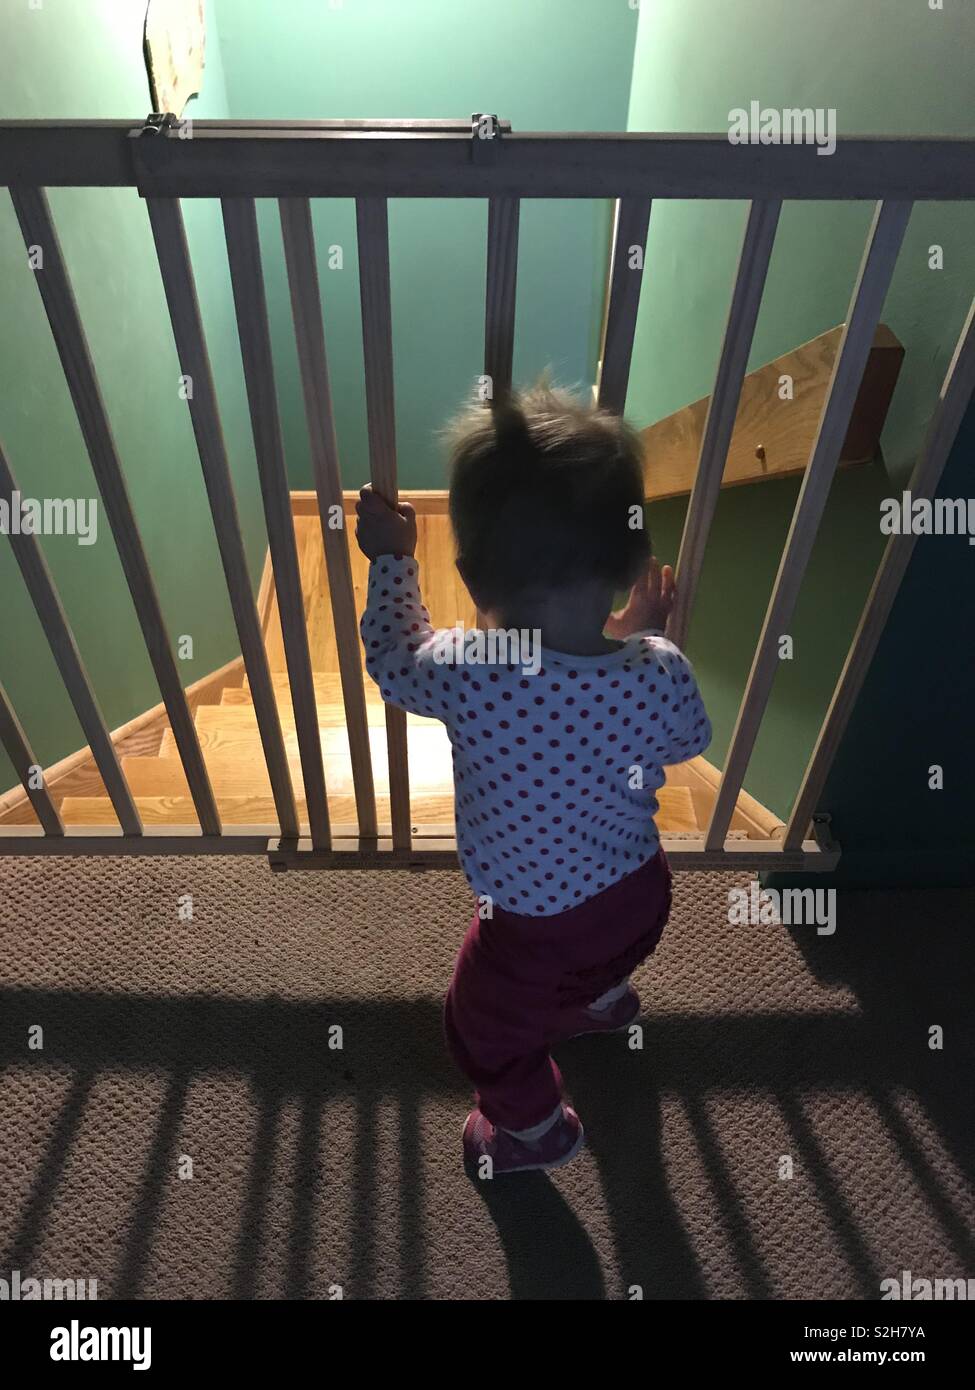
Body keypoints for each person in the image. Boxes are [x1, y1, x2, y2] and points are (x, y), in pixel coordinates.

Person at [355, 382, 711, 1174]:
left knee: (478, 1027)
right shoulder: (658, 671)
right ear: (627, 563)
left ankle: (533, 1130)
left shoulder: (466, 666)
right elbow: (686, 740)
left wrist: (391, 561)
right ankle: (599, 1002)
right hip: (637, 892)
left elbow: (393, 660)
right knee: (599, 956)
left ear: (476, 581)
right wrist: (639, 640)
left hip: (528, 920)